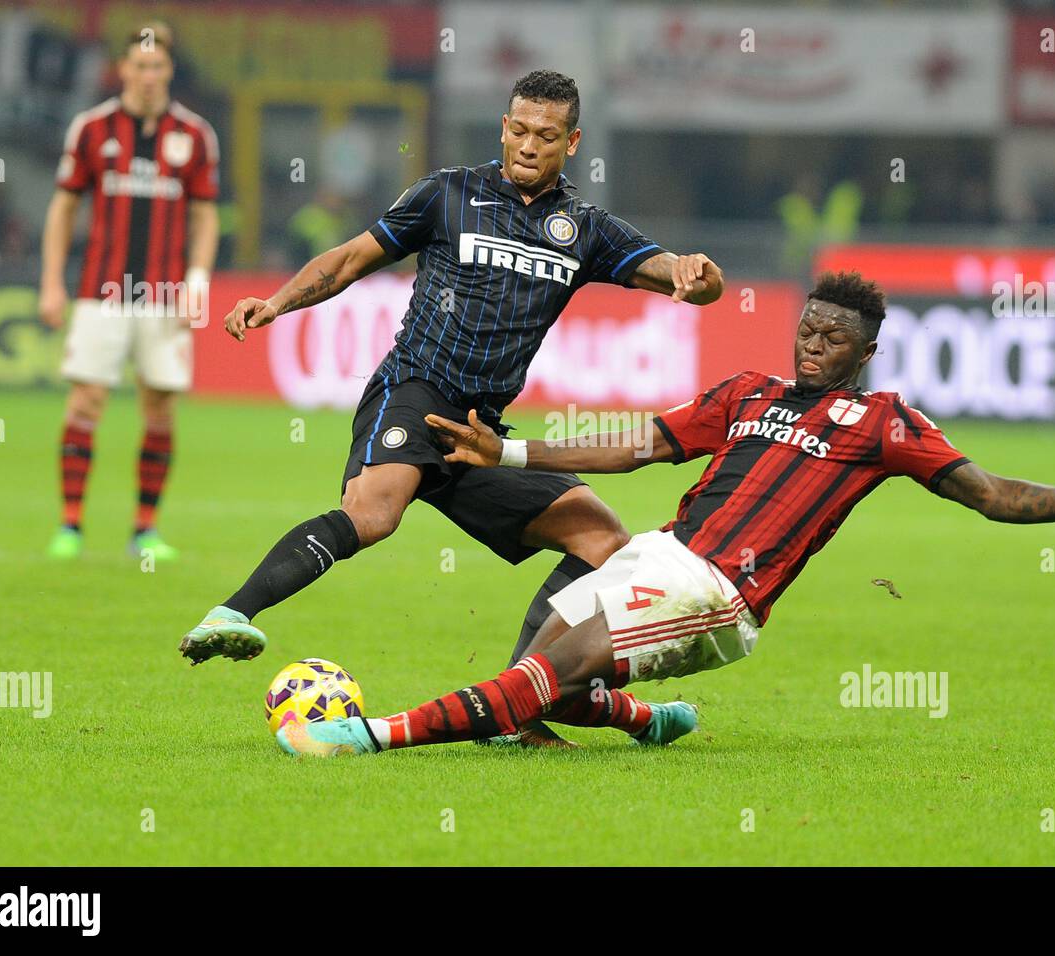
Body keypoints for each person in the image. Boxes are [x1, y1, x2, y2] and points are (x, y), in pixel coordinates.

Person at [272, 271, 1055, 758]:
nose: (812, 344)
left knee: (555, 671)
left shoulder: (884, 422)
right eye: (807, 329)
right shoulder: (747, 390)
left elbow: (990, 494)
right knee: (550, 677)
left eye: (832, 338)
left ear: (867, 351)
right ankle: (647, 723)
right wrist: (505, 452)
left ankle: (369, 737)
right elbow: (635, 444)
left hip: (720, 590)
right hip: (662, 555)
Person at [180, 71, 725, 749]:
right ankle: (231, 612)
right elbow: (351, 258)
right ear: (503, 127)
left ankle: (513, 705)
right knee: (374, 515)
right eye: (519, 130)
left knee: (602, 543)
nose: (529, 145)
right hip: (415, 391)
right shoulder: (448, 194)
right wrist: (277, 302)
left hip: (480, 435)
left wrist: (698, 276)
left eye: (547, 136)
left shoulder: (584, 230)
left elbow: (682, 280)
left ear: (573, 141)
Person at [39, 20, 219, 562]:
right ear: (123, 69)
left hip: (164, 294)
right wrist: (51, 281)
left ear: (168, 71)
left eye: (157, 66)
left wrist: (198, 280)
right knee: (87, 399)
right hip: (102, 291)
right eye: (138, 65)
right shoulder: (91, 129)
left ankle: (145, 528)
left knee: (159, 406)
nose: (147, 75)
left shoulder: (194, 135)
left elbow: (206, 215)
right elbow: (64, 206)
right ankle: (71, 525)